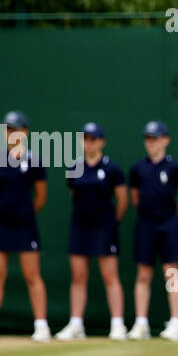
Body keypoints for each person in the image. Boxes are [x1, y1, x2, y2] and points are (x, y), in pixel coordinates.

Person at [0, 110, 50, 342]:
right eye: (8, 130)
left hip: (25, 225)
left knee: (32, 274)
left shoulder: (35, 161)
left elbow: (41, 198)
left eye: (16, 130)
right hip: (0, 224)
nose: (12, 134)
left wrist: (24, 213)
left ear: (25, 133)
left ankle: (41, 326)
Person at [55, 123, 128, 341]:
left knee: (109, 275)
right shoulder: (74, 167)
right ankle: (76, 324)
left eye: (93, 139)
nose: (88, 143)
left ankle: (117, 324)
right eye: (85, 139)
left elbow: (122, 200)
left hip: (104, 228)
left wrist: (111, 221)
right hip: (80, 227)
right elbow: (73, 194)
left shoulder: (112, 169)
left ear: (102, 142)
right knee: (78, 276)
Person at [128, 121, 178, 340]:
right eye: (148, 139)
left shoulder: (175, 168)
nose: (151, 143)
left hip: (168, 225)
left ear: (165, 140)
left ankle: (176, 323)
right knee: (143, 274)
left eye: (155, 139)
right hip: (145, 224)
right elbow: (135, 198)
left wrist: (170, 217)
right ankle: (141, 324)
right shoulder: (138, 168)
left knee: (170, 272)